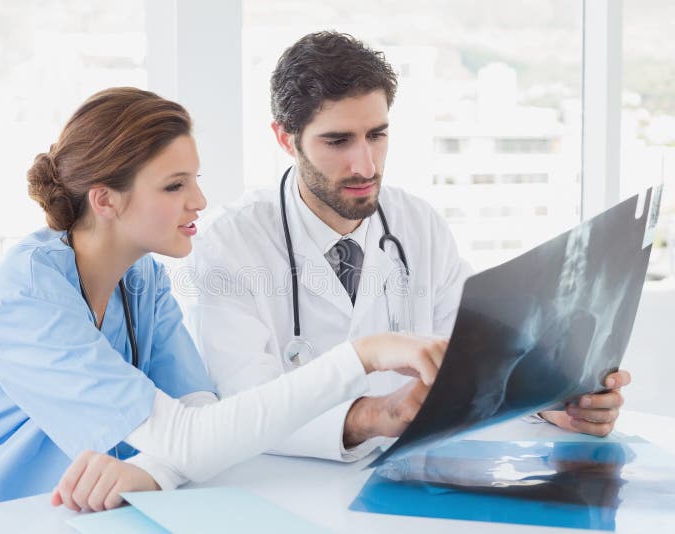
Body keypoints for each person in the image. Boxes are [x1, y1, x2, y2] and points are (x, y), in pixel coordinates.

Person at [0, 87, 448, 519]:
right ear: (105, 200)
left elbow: (204, 423)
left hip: (87, 516)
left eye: (196, 180)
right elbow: (191, 439)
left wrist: (158, 469)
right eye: (174, 186)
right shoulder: (26, 300)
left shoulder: (143, 279)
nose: (200, 201)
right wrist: (362, 356)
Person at [188, 31, 631, 462]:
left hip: (411, 474)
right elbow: (242, 406)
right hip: (287, 486)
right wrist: (374, 416)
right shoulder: (230, 244)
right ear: (286, 139)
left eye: (376, 135)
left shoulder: (417, 224)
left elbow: (476, 356)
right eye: (338, 141)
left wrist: (550, 401)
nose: (365, 165)